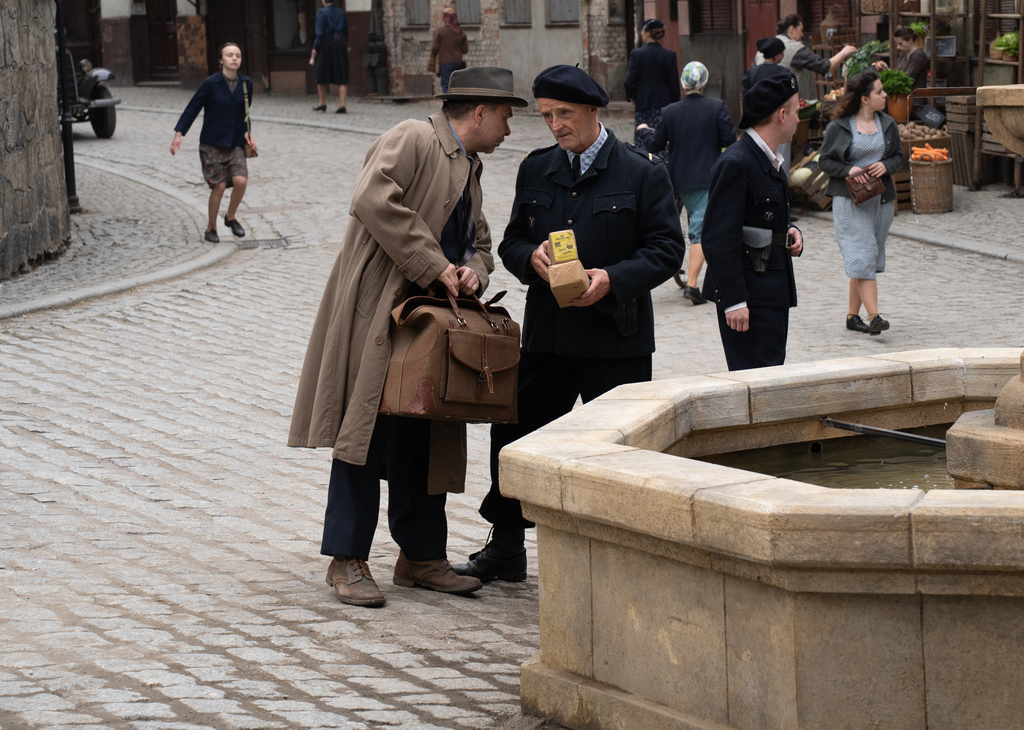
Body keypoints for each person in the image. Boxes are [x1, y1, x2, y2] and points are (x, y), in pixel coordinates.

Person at [287, 67, 525, 605]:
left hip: (431, 320)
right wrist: (435, 263)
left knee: (425, 428)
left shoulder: (472, 165)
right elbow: (372, 197)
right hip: (380, 311)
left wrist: (473, 273)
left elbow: (481, 244)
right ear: (480, 112)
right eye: (507, 117)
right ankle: (345, 559)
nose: (511, 128)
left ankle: (420, 557)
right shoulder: (414, 136)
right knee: (364, 431)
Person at [454, 65, 683, 584]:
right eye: (547, 116)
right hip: (548, 338)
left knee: (618, 448)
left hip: (615, 340)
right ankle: (507, 544)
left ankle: (622, 553)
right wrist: (526, 256)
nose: (555, 125)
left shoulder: (642, 172)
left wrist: (613, 277)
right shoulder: (537, 169)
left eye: (564, 114)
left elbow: (668, 250)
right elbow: (510, 239)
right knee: (514, 437)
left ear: (592, 112)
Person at [702, 69, 805, 371]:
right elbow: (718, 237)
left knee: (769, 376)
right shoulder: (737, 162)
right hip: (750, 298)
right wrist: (734, 301)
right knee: (755, 384)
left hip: (770, 290)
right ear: (782, 115)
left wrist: (789, 230)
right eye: (797, 111)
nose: (800, 119)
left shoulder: (767, 159)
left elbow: (760, 216)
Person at [819, 70, 904, 335]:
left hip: (879, 201)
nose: (885, 95)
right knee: (864, 253)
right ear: (865, 99)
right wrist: (849, 170)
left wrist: (885, 165)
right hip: (849, 202)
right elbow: (824, 161)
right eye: (879, 91)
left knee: (865, 258)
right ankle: (874, 316)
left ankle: (851, 317)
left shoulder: (888, 124)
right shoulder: (839, 127)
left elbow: (899, 158)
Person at [649, 61, 738, 305]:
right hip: (708, 176)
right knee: (700, 230)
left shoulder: (670, 111)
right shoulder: (716, 106)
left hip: (680, 179)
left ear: (683, 83)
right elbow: (729, 138)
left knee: (702, 225)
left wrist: (645, 131)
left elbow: (657, 143)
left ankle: (719, 276)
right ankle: (692, 285)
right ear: (705, 83)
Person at [171, 42, 259, 243]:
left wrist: (248, 134)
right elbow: (193, 108)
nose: (234, 58)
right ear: (221, 60)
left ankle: (231, 217)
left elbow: (245, 114)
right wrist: (179, 133)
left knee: (241, 180)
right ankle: (211, 227)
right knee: (218, 187)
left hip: (235, 142)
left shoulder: (246, 84)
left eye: (237, 55)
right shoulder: (210, 83)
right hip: (212, 144)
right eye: (230, 55)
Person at [756, 14, 857, 99]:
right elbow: (825, 66)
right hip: (782, 104)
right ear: (791, 29)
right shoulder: (795, 48)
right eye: (800, 30)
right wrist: (844, 52)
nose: (802, 35)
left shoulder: (763, 49)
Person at [624, 18, 680, 135]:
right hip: (665, 103)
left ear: (647, 32)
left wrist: (632, 97)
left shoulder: (637, 54)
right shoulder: (669, 55)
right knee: (664, 139)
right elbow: (674, 84)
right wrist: (675, 103)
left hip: (644, 101)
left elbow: (630, 81)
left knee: (644, 138)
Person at [310, 0, 349, 113]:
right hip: (340, 41)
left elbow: (319, 32)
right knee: (342, 71)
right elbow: (346, 30)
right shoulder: (341, 12)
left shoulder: (321, 12)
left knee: (321, 71)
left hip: (326, 43)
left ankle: (322, 102)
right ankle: (341, 104)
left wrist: (315, 47)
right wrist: (344, 42)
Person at [431, 6, 469, 93]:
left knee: (447, 86)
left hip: (445, 63)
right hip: (458, 63)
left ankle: (449, 105)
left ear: (444, 17)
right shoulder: (460, 32)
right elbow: (465, 49)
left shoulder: (439, 31)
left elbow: (434, 47)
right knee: (457, 85)